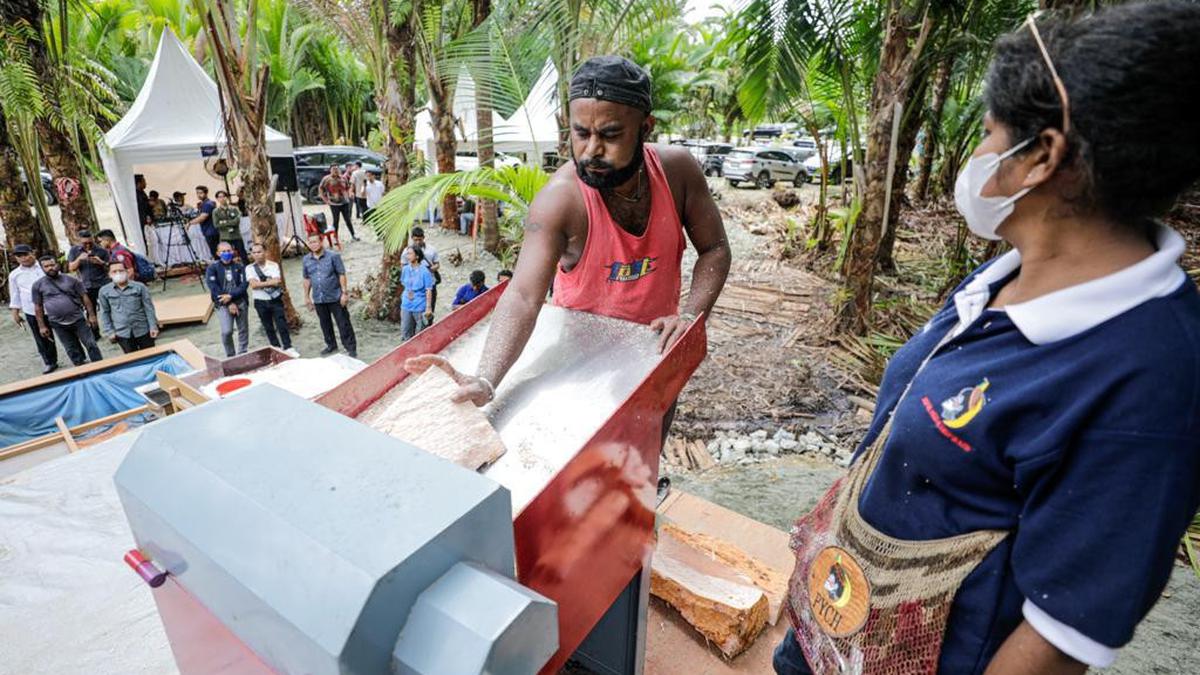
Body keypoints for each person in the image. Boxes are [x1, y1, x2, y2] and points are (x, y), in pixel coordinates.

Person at [770, 6, 1200, 675]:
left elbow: (1061, 636)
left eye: (988, 132)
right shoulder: (1006, 275)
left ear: (1043, 156)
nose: (975, 152)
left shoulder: (1146, 376)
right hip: (843, 633)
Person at [406, 55, 730, 407]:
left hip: (653, 354)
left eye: (610, 135)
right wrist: (486, 378)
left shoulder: (677, 172)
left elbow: (714, 248)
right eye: (581, 133)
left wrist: (688, 316)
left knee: (646, 449)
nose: (592, 150)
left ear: (646, 127)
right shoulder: (561, 201)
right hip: (578, 367)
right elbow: (523, 296)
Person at [32, 255, 103, 366]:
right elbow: (38, 306)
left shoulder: (72, 280)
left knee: (91, 344)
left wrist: (92, 315)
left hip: (78, 319)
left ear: (58, 264)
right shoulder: (37, 285)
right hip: (57, 323)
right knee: (71, 349)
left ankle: (100, 366)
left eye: (52, 265)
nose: (50, 268)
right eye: (46, 266)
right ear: (42, 268)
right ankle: (81, 369)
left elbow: (85, 298)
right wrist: (41, 326)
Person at [302, 232, 357, 357]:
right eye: (310, 242)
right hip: (319, 298)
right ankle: (331, 345)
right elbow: (307, 279)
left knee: (343, 324)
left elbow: (341, 274)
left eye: (315, 241)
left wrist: (344, 293)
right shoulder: (306, 260)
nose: (313, 245)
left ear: (321, 242)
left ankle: (351, 348)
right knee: (325, 324)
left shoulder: (333, 256)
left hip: (335, 296)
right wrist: (306, 297)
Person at [8, 244, 59, 373]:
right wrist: (15, 313)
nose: (23, 258)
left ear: (33, 253)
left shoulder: (45, 267)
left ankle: (78, 357)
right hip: (31, 310)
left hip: (54, 306)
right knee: (41, 337)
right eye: (19, 256)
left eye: (25, 254)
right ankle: (50, 362)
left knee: (66, 331)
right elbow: (15, 294)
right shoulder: (15, 275)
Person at [247, 242, 297, 356]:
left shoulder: (273, 265)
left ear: (264, 252)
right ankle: (276, 347)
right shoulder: (249, 268)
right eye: (254, 252)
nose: (256, 255)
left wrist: (261, 283)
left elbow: (277, 281)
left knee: (281, 324)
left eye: (259, 252)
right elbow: (253, 285)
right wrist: (269, 282)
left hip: (275, 300)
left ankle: (288, 346)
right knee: (268, 326)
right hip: (260, 301)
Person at [97, 261, 158, 354]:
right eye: (114, 271)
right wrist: (110, 331)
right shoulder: (104, 291)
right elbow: (105, 312)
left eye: (121, 270)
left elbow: (149, 308)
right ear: (109, 274)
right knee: (132, 360)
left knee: (151, 355)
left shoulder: (139, 287)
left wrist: (153, 327)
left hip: (143, 329)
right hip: (122, 333)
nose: (118, 273)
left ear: (127, 271)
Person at [205, 241, 250, 357]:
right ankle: (231, 355)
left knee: (243, 329)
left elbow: (244, 285)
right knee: (227, 331)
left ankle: (243, 353)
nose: (227, 253)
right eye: (223, 251)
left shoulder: (240, 267)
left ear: (233, 251)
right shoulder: (212, 268)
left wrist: (231, 296)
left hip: (240, 301)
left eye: (229, 251)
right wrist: (229, 303)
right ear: (218, 253)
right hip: (223, 305)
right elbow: (214, 288)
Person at [66, 229, 110, 338]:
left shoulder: (101, 251)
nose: (88, 245)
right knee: (90, 310)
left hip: (102, 283)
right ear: (79, 241)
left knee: (108, 307)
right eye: (85, 243)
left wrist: (101, 263)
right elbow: (71, 268)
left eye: (90, 242)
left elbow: (110, 267)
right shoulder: (74, 251)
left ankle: (112, 330)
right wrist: (79, 259)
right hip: (86, 286)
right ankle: (95, 333)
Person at [399, 247, 436, 340]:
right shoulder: (405, 269)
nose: (408, 256)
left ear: (417, 256)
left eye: (410, 254)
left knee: (420, 332)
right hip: (406, 304)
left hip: (419, 304)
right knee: (405, 330)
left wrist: (428, 307)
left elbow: (428, 290)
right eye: (407, 254)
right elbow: (404, 283)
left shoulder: (424, 271)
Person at [407, 227, 441, 316]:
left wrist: (431, 269)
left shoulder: (431, 250)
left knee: (429, 311)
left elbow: (437, 264)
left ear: (424, 238)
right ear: (412, 239)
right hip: (414, 286)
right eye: (415, 240)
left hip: (430, 284)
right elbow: (404, 267)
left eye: (420, 239)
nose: (418, 242)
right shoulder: (407, 252)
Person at [320, 164, 358, 242]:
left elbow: (348, 187)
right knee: (336, 220)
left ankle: (353, 235)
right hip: (334, 204)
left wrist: (350, 194)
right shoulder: (326, 179)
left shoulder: (343, 178)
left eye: (337, 169)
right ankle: (336, 238)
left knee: (348, 219)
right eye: (333, 169)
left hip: (345, 203)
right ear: (330, 170)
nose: (335, 170)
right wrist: (325, 200)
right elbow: (321, 189)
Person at [212, 191, 247, 262]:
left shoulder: (234, 209)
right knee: (226, 256)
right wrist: (231, 222)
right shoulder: (216, 211)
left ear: (227, 197)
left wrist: (224, 222)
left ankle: (246, 268)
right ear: (217, 199)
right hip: (225, 237)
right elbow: (216, 224)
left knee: (243, 254)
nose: (222, 199)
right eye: (220, 197)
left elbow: (237, 221)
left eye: (224, 196)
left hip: (236, 235)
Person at [190, 185, 218, 258]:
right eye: (197, 193)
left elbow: (202, 217)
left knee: (215, 251)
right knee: (214, 251)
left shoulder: (208, 204)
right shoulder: (203, 204)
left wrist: (190, 223)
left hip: (211, 231)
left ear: (206, 193)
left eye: (201, 193)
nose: (199, 195)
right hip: (208, 231)